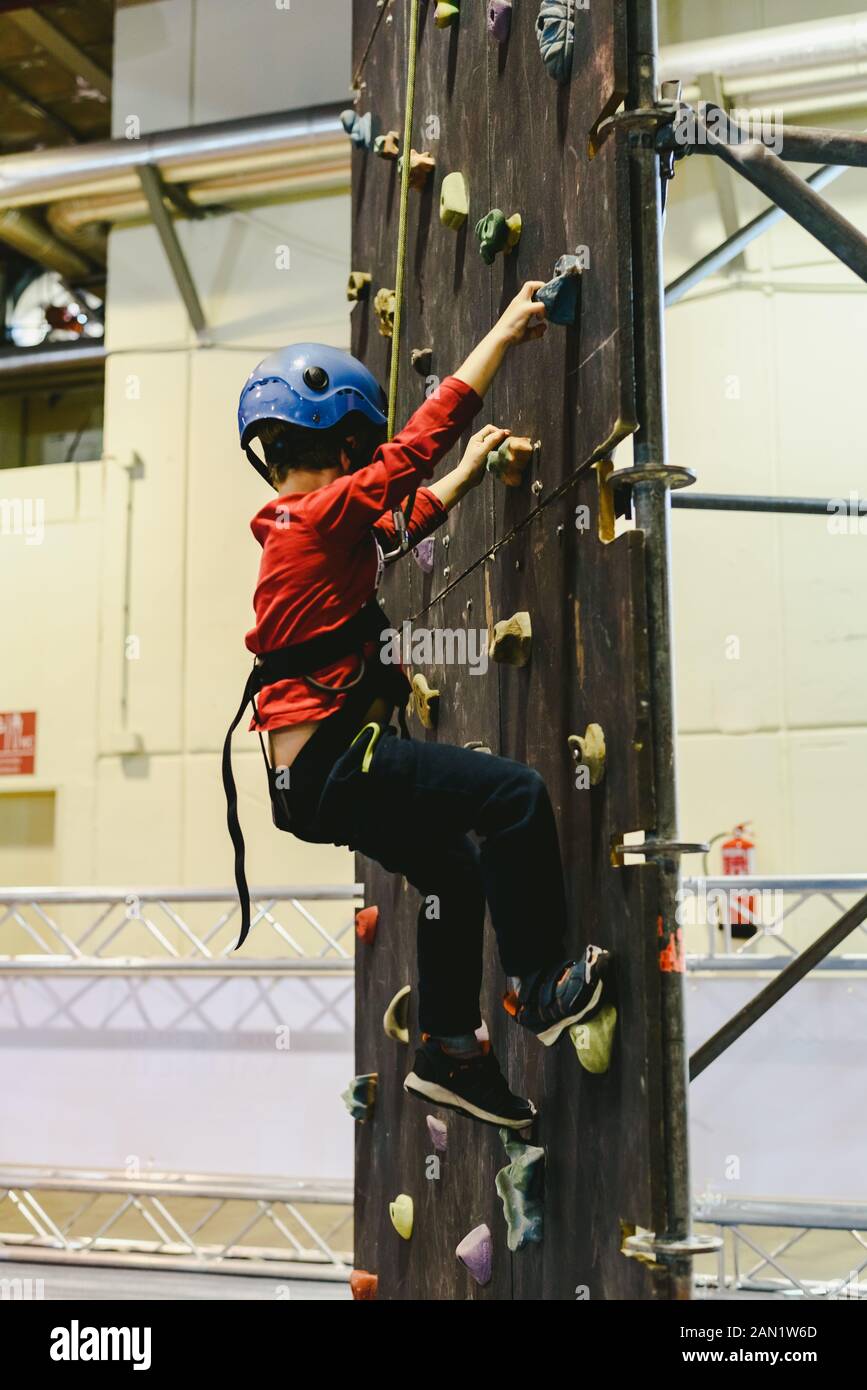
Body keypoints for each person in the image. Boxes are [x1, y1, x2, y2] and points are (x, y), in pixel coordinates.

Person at [223, 282, 611, 1130]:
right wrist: (505, 331)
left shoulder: (305, 525)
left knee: (450, 871)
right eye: (365, 447)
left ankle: (450, 1049)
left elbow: (398, 523)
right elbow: (412, 454)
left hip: (310, 786)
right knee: (511, 796)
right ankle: (538, 987)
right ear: (348, 439)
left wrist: (470, 471)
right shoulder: (319, 516)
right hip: (333, 762)